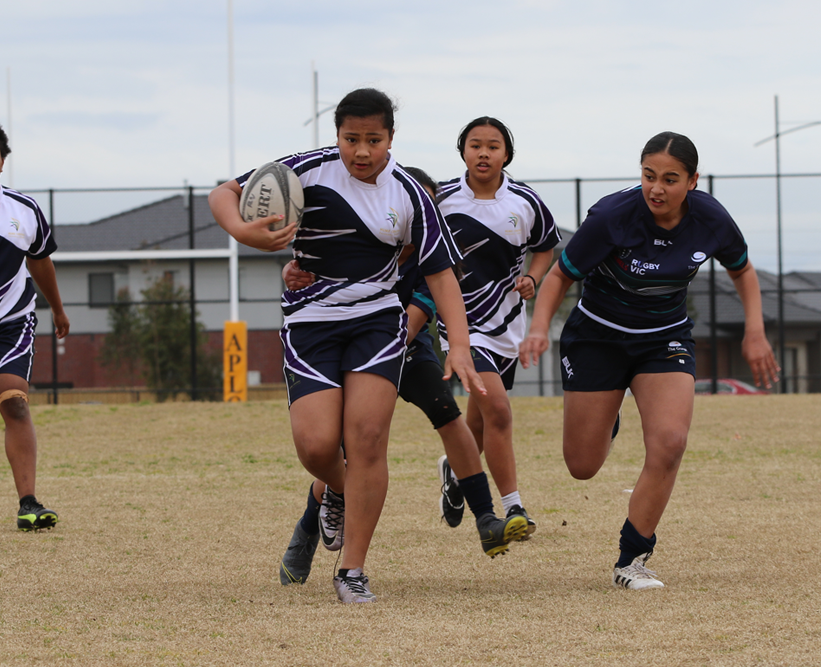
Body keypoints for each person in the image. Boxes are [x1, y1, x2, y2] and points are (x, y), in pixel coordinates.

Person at [208, 89, 486, 604]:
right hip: (310, 321)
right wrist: (244, 232)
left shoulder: (410, 194)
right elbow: (222, 194)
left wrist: (460, 345)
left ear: (390, 139)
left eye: (373, 140)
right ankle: (338, 489)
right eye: (351, 139)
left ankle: (352, 569)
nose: (361, 151)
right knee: (316, 446)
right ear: (336, 135)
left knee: (367, 437)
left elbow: (442, 274)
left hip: (378, 323)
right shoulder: (305, 170)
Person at [519, 131, 780, 589]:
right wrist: (539, 327)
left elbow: (742, 269)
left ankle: (631, 559)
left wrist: (754, 331)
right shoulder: (612, 217)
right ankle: (609, 420)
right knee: (582, 465)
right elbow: (560, 275)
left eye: (670, 179)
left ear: (693, 181)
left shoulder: (711, 219)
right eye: (649, 176)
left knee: (670, 442)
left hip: (663, 340)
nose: (657, 188)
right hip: (597, 339)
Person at [276, 167, 529, 588]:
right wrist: (293, 272)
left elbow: (419, 312)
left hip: (403, 347)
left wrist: (388, 344)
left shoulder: (432, 248)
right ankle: (307, 528)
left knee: (446, 414)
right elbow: (318, 275)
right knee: (337, 444)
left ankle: (486, 517)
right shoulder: (366, 236)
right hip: (345, 346)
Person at [435, 116, 561, 536]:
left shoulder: (525, 201)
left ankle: (455, 476)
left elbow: (546, 247)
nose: (483, 153)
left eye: (492, 146)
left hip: (507, 324)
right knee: (500, 412)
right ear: (463, 151)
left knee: (480, 420)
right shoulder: (441, 199)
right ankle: (513, 507)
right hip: (460, 326)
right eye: (475, 145)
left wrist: (533, 277)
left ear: (506, 154)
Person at [0, 116, 70, 531]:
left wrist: (57, 308)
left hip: (14, 321)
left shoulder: (25, 209)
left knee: (14, 400)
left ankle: (29, 503)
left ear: (3, 161)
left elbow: (40, 262)